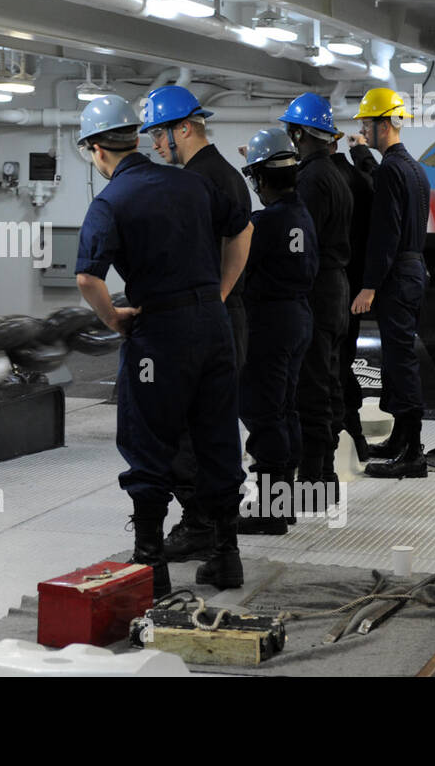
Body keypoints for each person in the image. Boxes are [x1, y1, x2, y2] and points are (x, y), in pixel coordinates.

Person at [75, 94, 251, 595]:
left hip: (159, 333)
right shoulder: (192, 182)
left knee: (149, 440)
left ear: (96, 150)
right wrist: (218, 294)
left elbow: (88, 278)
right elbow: (242, 229)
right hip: (213, 328)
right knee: (218, 436)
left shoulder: (111, 201)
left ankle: (151, 565)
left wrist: (113, 318)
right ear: (135, 138)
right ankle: (226, 558)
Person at [136, 84, 254, 562]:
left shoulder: (202, 179)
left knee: (188, 426)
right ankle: (217, 532)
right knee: (212, 425)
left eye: (159, 135)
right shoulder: (221, 173)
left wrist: (216, 297)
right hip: (221, 316)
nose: (154, 145)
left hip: (208, 319)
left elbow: (241, 235)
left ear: (184, 128)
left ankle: (199, 524)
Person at [237, 127, 318, 535]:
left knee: (264, 414)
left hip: (269, 322)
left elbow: (237, 269)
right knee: (286, 411)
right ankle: (282, 504)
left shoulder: (263, 223)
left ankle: (268, 512)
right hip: (299, 317)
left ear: (260, 179)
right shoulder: (302, 215)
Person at [349, 88, 431, 478]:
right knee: (399, 356)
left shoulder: (390, 171)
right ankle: (400, 439)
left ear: (384, 125)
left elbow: (385, 233)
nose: (364, 131)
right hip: (413, 269)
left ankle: (413, 454)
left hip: (396, 273)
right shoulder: (415, 168)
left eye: (367, 123)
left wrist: (369, 285)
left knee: (400, 361)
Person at [278, 93, 352, 498]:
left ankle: (313, 478)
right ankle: (325, 472)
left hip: (317, 288)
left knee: (311, 384)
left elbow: (301, 243)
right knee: (328, 380)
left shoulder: (309, 180)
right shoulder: (335, 174)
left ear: (300, 134)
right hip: (336, 287)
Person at [332, 133, 377, 458]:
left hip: (327, 288)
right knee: (343, 359)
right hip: (354, 285)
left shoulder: (317, 179)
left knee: (326, 365)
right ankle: (355, 434)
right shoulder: (360, 178)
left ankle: (328, 444)